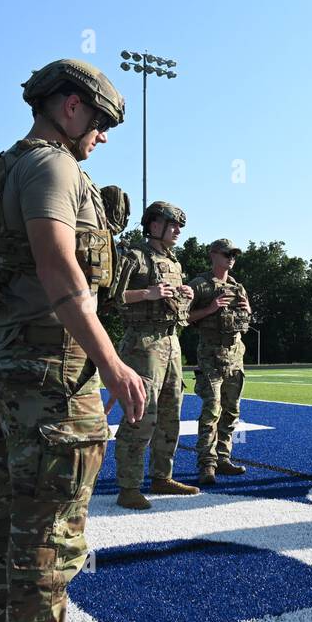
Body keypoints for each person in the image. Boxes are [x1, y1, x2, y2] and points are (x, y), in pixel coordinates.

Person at [0, 58, 145, 622]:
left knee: (3, 509)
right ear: (71, 106)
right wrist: (113, 361)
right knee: (51, 521)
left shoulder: (4, 167)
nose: (100, 136)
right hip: (50, 370)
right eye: (99, 122)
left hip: (5, 362)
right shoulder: (52, 166)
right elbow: (57, 267)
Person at [111, 202, 200, 509]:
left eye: (178, 226)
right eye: (171, 224)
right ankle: (129, 486)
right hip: (143, 343)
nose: (177, 230)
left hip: (171, 341)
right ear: (153, 225)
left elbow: (173, 303)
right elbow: (109, 294)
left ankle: (162, 476)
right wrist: (145, 294)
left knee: (170, 413)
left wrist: (184, 294)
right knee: (141, 414)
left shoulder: (173, 262)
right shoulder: (134, 257)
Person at [186, 239, 252, 487]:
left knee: (231, 411)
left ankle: (223, 457)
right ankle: (207, 464)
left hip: (235, 357)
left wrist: (248, 310)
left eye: (234, 255)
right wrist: (210, 309)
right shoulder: (200, 285)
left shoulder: (237, 286)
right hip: (210, 357)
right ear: (213, 255)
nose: (231, 258)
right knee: (212, 410)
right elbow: (183, 316)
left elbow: (245, 322)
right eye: (226, 254)